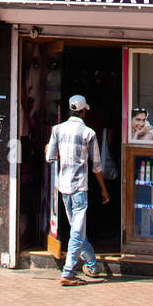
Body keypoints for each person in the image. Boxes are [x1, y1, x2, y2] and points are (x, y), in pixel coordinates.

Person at [44, 94, 110, 285]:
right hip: (80, 188)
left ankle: (91, 264)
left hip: (64, 187)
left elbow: (49, 157)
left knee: (77, 229)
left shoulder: (57, 130)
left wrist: (48, 147)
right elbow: (97, 166)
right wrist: (104, 190)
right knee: (77, 231)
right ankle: (68, 272)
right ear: (83, 112)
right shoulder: (89, 133)